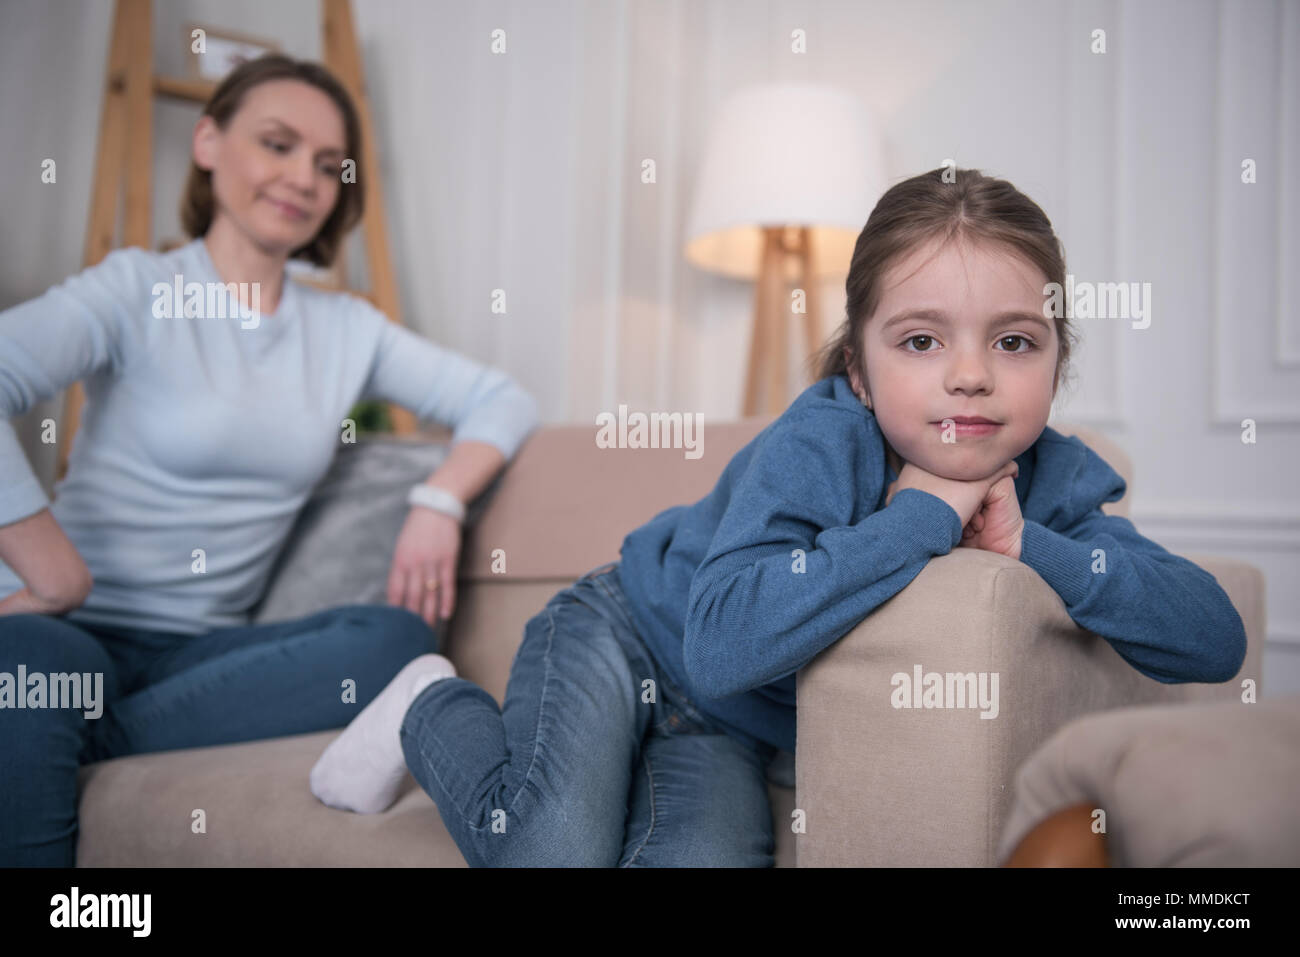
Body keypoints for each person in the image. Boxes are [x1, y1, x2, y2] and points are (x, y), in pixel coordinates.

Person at [311, 168, 1248, 866]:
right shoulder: (823, 440)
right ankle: (426, 703)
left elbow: (1215, 638)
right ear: (858, 366)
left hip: (724, 726)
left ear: (1057, 360)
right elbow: (720, 643)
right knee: (548, 850)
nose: (971, 373)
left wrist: (1027, 545)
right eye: (920, 340)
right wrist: (919, 518)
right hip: (630, 631)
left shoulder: (1050, 485)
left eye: (1014, 340)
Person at [0, 54, 538, 866]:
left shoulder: (347, 331)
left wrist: (441, 501)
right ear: (209, 141)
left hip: (199, 651)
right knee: (29, 662)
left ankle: (74, 728)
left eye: (328, 164)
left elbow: (502, 398)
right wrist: (56, 577)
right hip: (66, 628)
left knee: (394, 638)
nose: (304, 178)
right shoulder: (137, 289)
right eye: (278, 144)